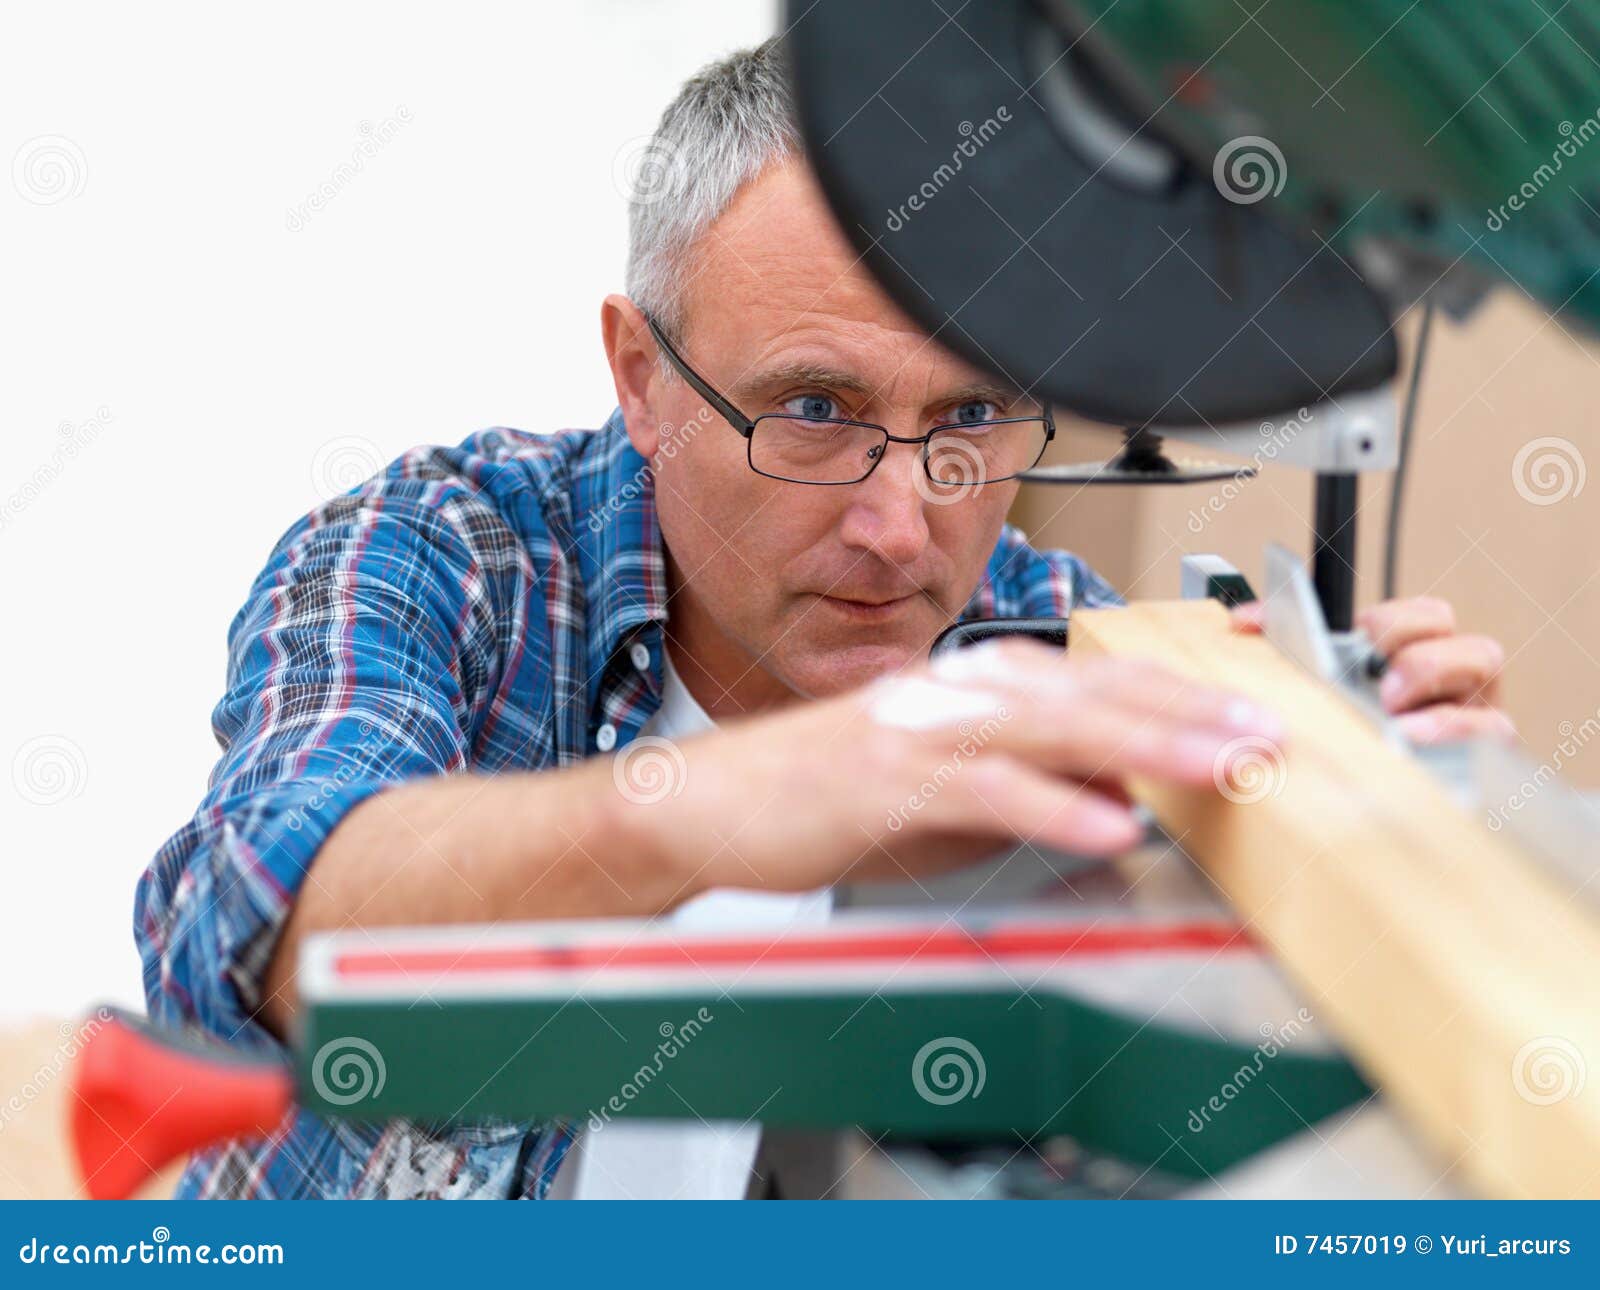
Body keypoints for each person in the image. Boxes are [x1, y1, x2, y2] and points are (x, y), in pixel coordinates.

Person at [134, 37, 1512, 1199]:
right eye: (813, 411)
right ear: (640, 376)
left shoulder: (1043, 646)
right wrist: (699, 802)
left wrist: (1372, 810)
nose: (903, 526)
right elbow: (250, 934)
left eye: (970, 416)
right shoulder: (443, 560)